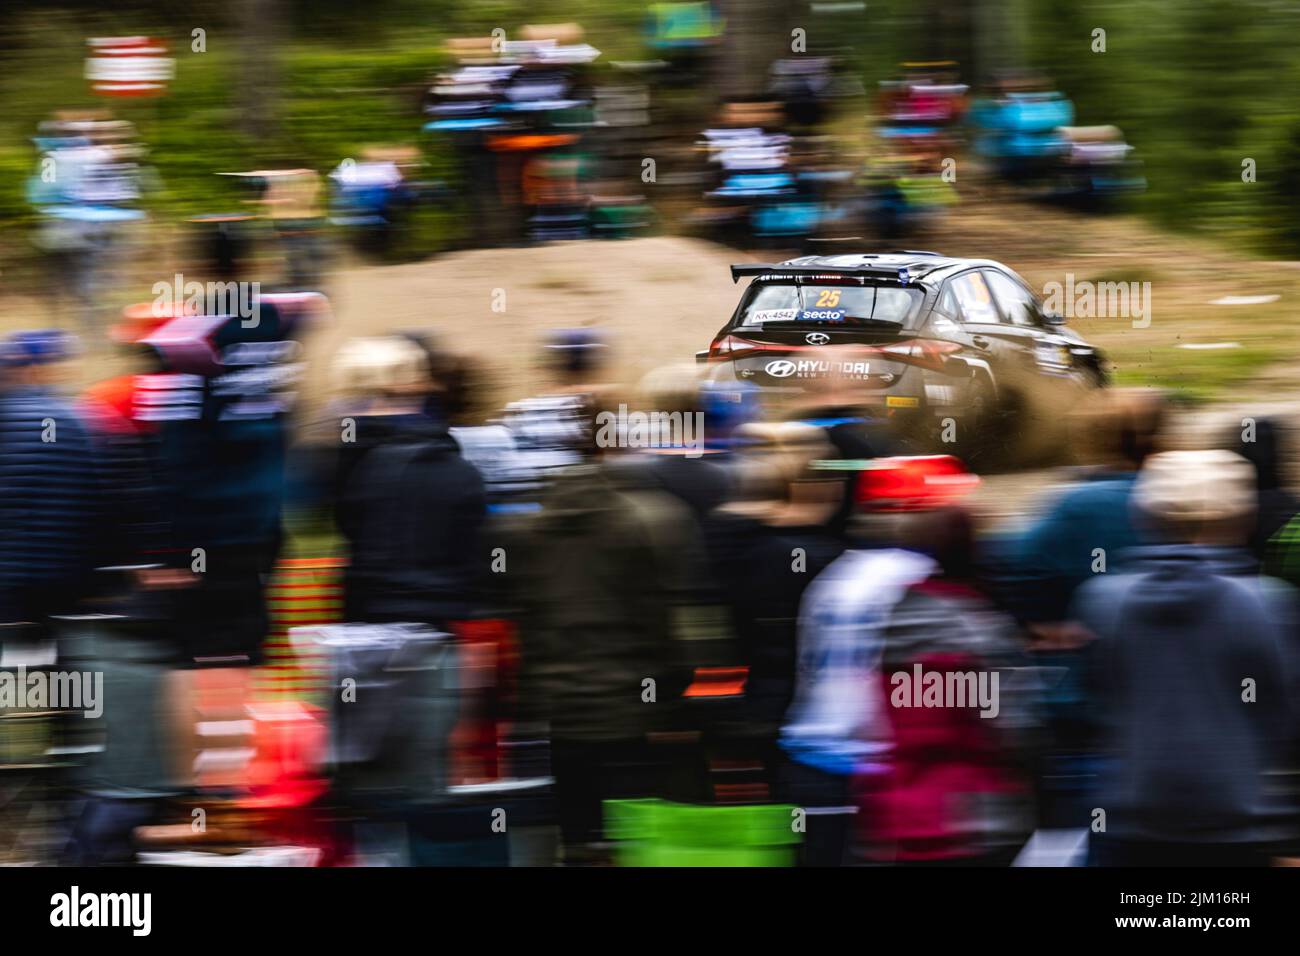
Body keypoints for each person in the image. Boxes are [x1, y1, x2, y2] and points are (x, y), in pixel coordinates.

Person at [1076, 450, 1297, 866]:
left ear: (1145, 517)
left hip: (1127, 817)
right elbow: (1282, 716)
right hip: (1238, 822)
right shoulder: (1267, 603)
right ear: (1239, 519)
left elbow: (1100, 702)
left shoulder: (1102, 599)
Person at [510, 397, 700, 863]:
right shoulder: (645, 522)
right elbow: (657, 621)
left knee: (576, 837)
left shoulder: (526, 532)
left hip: (563, 711)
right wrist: (674, 689)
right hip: (631, 707)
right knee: (635, 834)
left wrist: (530, 697)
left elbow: (526, 624)